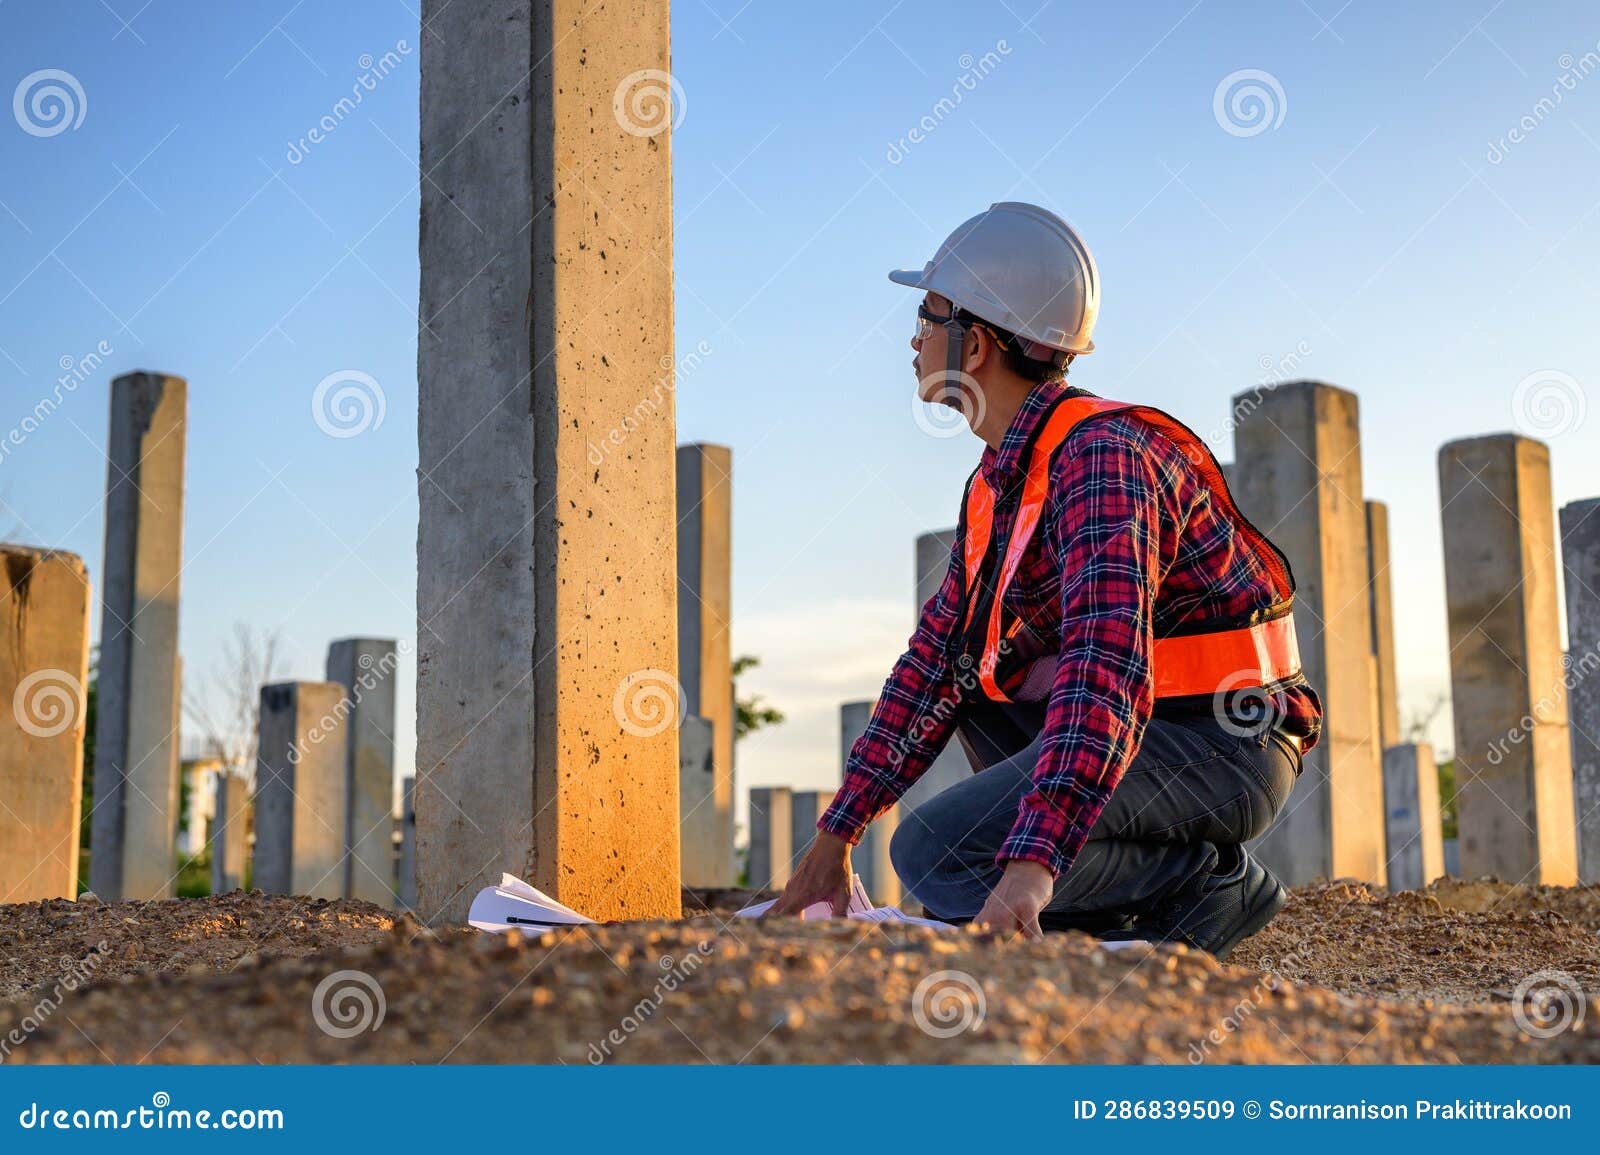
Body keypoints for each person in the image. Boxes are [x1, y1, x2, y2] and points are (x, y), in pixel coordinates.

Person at [763, 202, 1322, 960]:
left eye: (929, 314)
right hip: (1152, 731)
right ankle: (1076, 879)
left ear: (980, 344)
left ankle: (1206, 886)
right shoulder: (1001, 479)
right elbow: (933, 667)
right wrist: (835, 838)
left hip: (1225, 741)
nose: (914, 335)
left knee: (934, 852)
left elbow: (1107, 672)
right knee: (971, 684)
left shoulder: (1103, 459)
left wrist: (1029, 868)